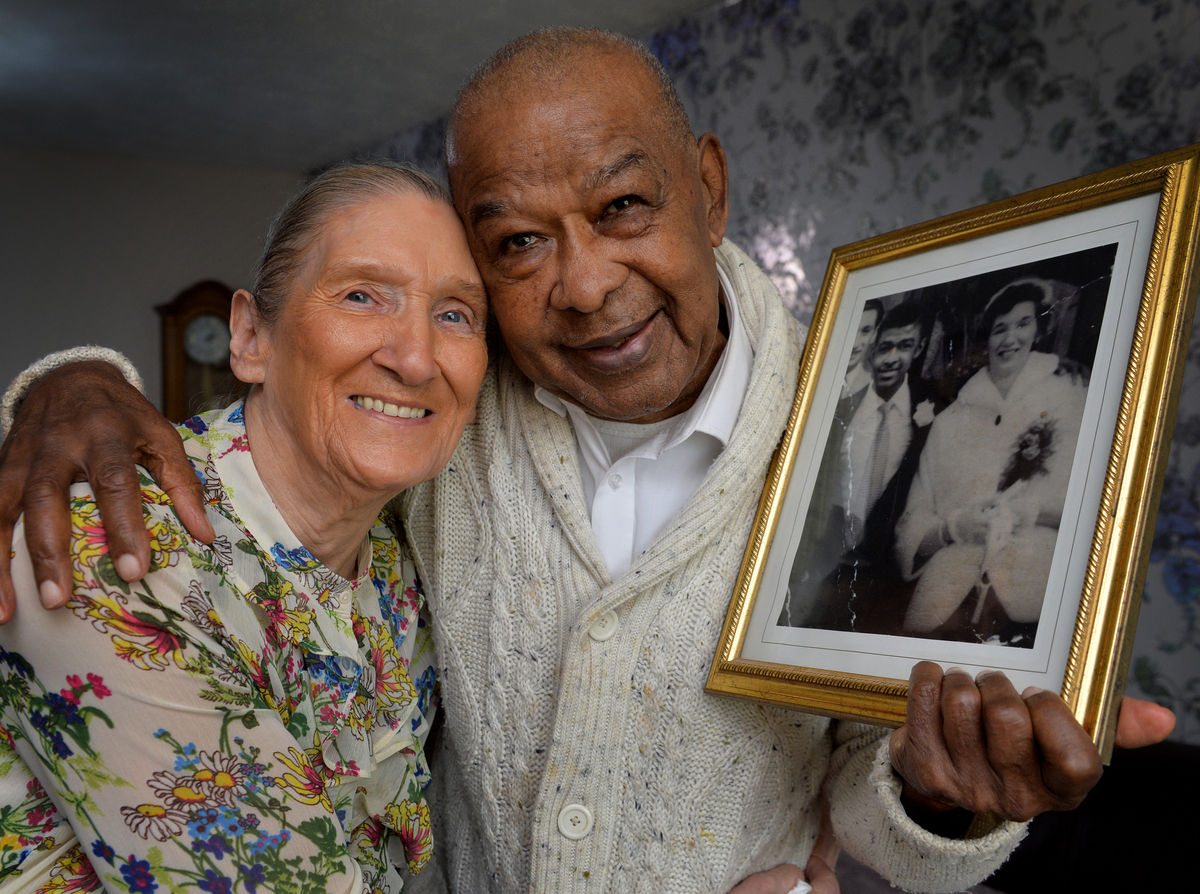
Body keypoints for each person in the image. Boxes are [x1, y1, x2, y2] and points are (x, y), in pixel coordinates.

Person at [0, 28, 1175, 894]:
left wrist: (940, 799)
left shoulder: (842, 428)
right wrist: (73, 380)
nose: (583, 284)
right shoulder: (445, 434)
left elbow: (878, 785)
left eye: (622, 205)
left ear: (706, 191)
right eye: (515, 244)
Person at [0, 162, 490, 891]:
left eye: (455, 314)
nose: (416, 358)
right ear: (251, 337)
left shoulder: (397, 569)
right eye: (361, 296)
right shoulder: (114, 548)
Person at [895, 280, 1086, 645]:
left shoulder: (1072, 398)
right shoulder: (951, 421)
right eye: (1000, 328)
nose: (1010, 338)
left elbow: (1098, 506)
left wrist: (1031, 512)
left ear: (1040, 330)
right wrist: (955, 528)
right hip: (946, 605)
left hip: (1037, 603)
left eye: (1023, 323)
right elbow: (910, 527)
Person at [794, 301, 944, 634]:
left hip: (880, 571)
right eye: (885, 346)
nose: (891, 357)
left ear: (918, 348)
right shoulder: (843, 401)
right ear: (872, 346)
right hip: (823, 548)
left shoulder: (932, 406)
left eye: (904, 346)